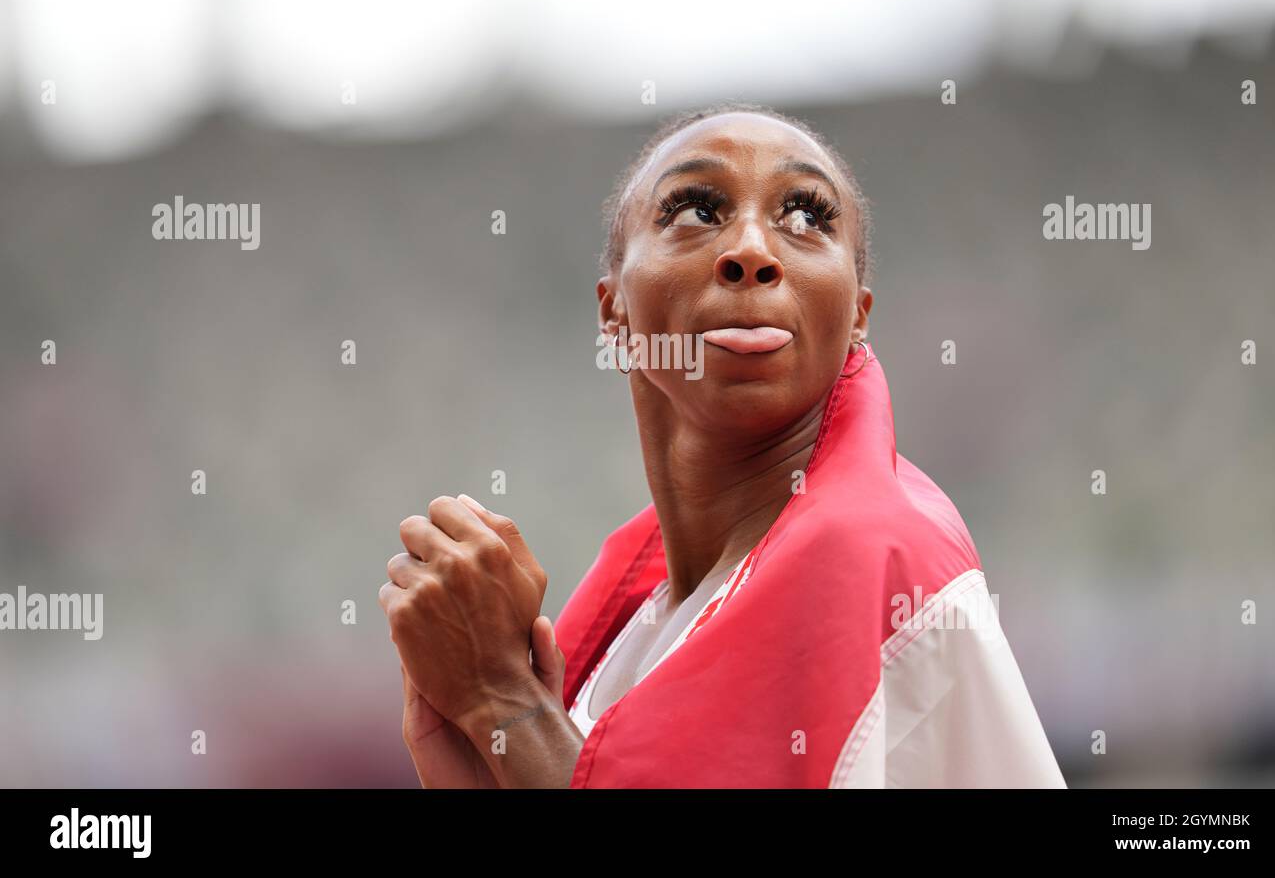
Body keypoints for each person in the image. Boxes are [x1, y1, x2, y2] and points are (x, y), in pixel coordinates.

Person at [379, 102, 1066, 788]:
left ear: (857, 316)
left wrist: (501, 696)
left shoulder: (894, 566)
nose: (752, 252)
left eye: (805, 217)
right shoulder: (623, 631)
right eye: (696, 211)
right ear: (612, 311)